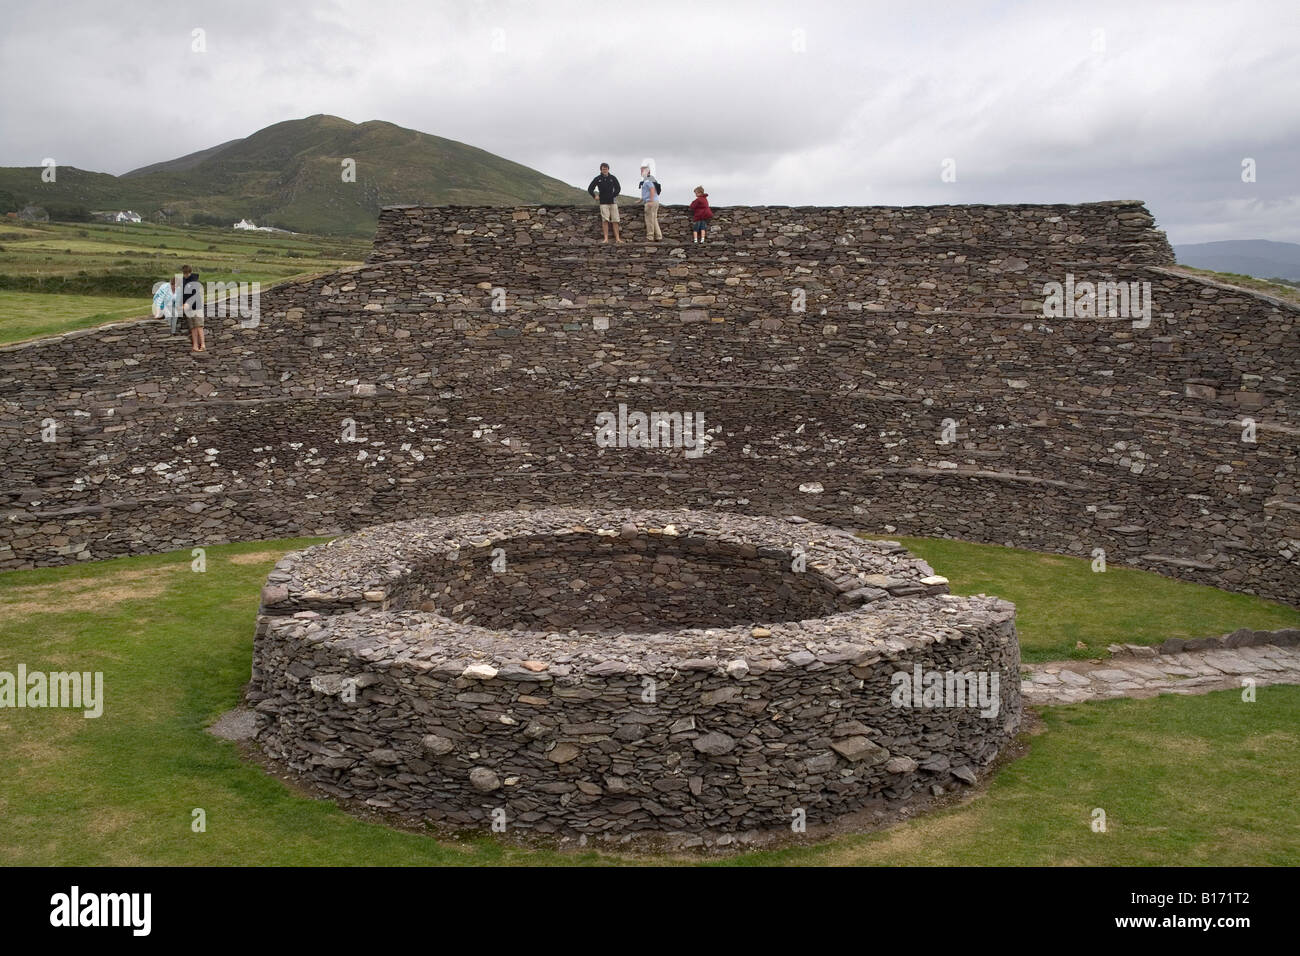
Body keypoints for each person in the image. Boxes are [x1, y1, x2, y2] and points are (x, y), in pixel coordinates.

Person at [587, 163, 623, 243]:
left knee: (615, 220)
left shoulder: (613, 178)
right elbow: (590, 189)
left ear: (608, 169)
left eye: (606, 169)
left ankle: (617, 239)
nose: (605, 170)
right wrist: (594, 196)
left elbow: (618, 188)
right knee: (605, 220)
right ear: (601, 170)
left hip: (613, 202)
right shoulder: (598, 178)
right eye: (603, 169)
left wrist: (613, 195)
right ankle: (606, 239)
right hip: (603, 202)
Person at [181, 265, 206, 353]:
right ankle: (195, 345)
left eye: (187, 273)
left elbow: (195, 295)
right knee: (192, 328)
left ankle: (203, 344)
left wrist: (188, 303)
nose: (185, 275)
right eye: (184, 273)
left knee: (199, 326)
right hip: (188, 308)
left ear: (190, 272)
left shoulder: (194, 281)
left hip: (196, 307)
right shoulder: (183, 280)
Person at [639, 165, 663, 241]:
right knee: (654, 219)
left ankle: (650, 237)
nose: (641, 172)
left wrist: (650, 200)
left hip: (651, 202)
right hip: (655, 201)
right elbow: (648, 191)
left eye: (643, 171)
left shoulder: (647, 180)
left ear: (648, 172)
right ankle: (659, 236)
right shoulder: (650, 179)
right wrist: (641, 200)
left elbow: (652, 189)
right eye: (641, 171)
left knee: (649, 220)